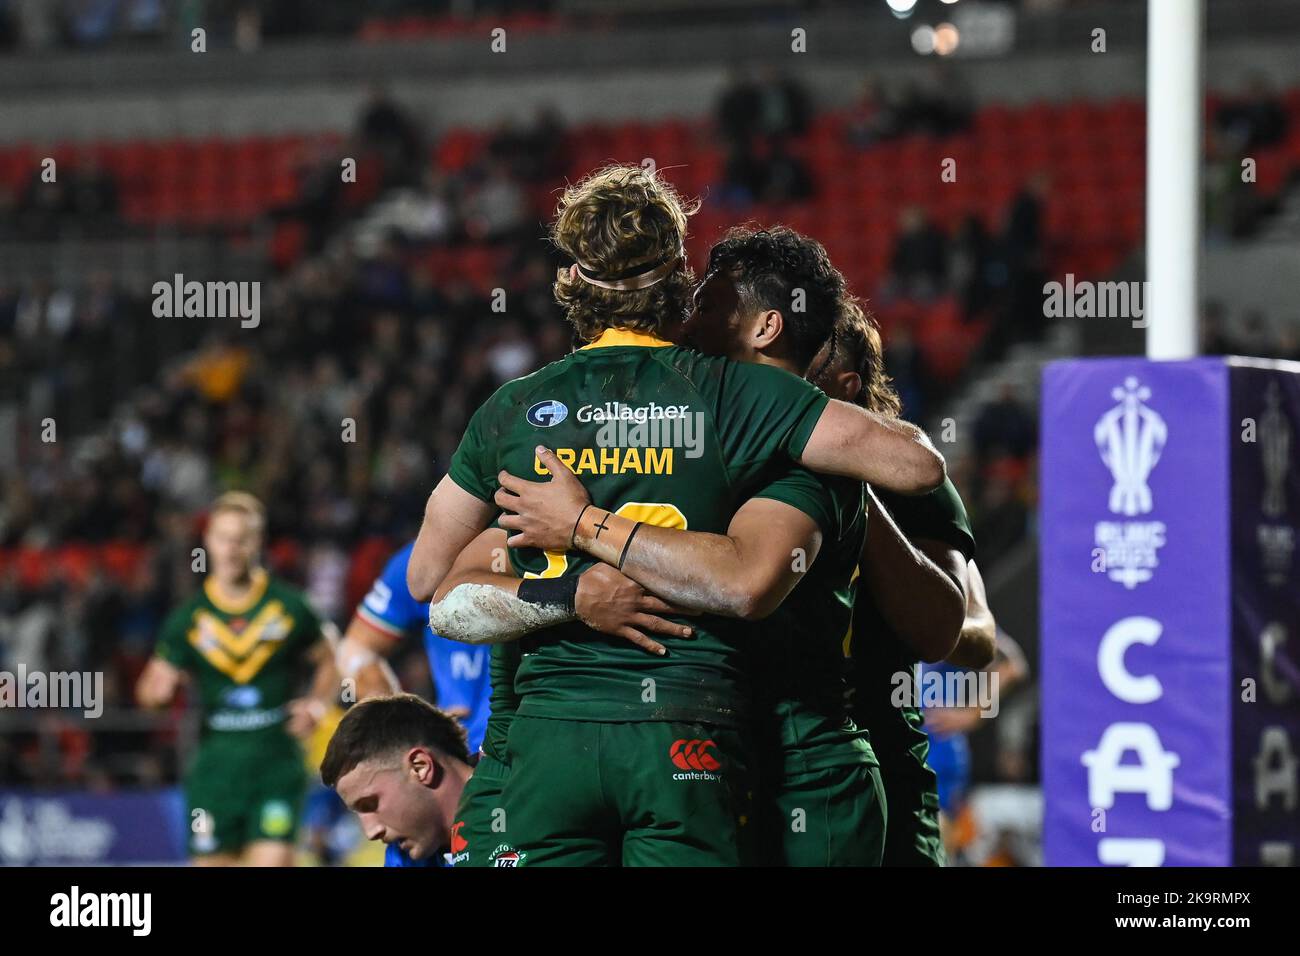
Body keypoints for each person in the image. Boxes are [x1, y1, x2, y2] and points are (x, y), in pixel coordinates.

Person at [406, 165, 944, 865]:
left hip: (547, 737)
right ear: (677, 283)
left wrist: (565, 574)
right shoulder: (738, 396)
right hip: (688, 734)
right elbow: (918, 467)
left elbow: (426, 578)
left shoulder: (512, 408)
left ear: (572, 282)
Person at [136, 491, 339, 866]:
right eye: (222, 537)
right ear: (208, 542)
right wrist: (157, 692)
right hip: (215, 771)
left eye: (240, 538)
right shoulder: (189, 619)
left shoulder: (291, 607)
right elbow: (149, 690)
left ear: (257, 542)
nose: (231, 548)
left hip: (276, 763)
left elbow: (331, 659)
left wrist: (316, 703)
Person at [334, 538, 493, 866]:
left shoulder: (549, 536)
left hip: (531, 750)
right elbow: (355, 650)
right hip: (452, 758)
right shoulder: (423, 558)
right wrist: (405, 724)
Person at [321, 694, 474, 867]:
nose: (371, 832)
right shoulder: (403, 858)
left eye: (371, 804)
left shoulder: (507, 808)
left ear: (420, 767)